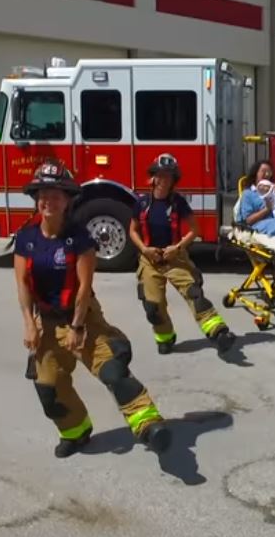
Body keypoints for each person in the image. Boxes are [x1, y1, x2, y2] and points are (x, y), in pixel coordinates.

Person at [14, 159, 171, 458]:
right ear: (36, 198)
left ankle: (148, 424)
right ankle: (76, 431)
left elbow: (84, 288)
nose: (49, 200)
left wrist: (76, 327)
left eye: (56, 195)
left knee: (113, 372)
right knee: (48, 387)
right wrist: (28, 322)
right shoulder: (26, 237)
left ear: (68, 200)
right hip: (45, 321)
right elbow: (22, 282)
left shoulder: (80, 238)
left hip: (82, 316)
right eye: (43, 194)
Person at [129, 153, 235, 357]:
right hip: (150, 260)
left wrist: (177, 248)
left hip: (175, 257)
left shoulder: (178, 203)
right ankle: (165, 337)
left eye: (168, 176)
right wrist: (144, 249)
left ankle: (219, 333)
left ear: (173, 180)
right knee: (153, 307)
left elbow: (194, 230)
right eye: (160, 175)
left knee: (195, 295)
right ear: (153, 177)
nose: (163, 180)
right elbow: (132, 230)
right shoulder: (141, 203)